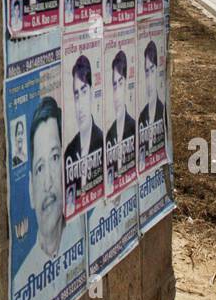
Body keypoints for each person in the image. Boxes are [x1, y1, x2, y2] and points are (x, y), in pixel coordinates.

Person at [12, 97, 66, 300]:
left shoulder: (81, 231)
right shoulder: (20, 280)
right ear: (31, 192)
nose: (48, 184)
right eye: (40, 167)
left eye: (55, 158)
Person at [63, 54, 103, 202]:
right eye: (76, 95)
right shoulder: (69, 152)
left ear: (92, 92)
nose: (79, 105)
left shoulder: (103, 141)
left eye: (84, 91)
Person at [103, 50, 136, 183]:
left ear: (127, 83)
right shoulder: (109, 135)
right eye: (114, 85)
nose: (117, 94)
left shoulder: (135, 126)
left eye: (120, 83)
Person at [137, 40, 166, 165]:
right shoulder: (141, 117)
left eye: (152, 70)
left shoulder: (163, 111)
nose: (149, 79)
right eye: (146, 71)